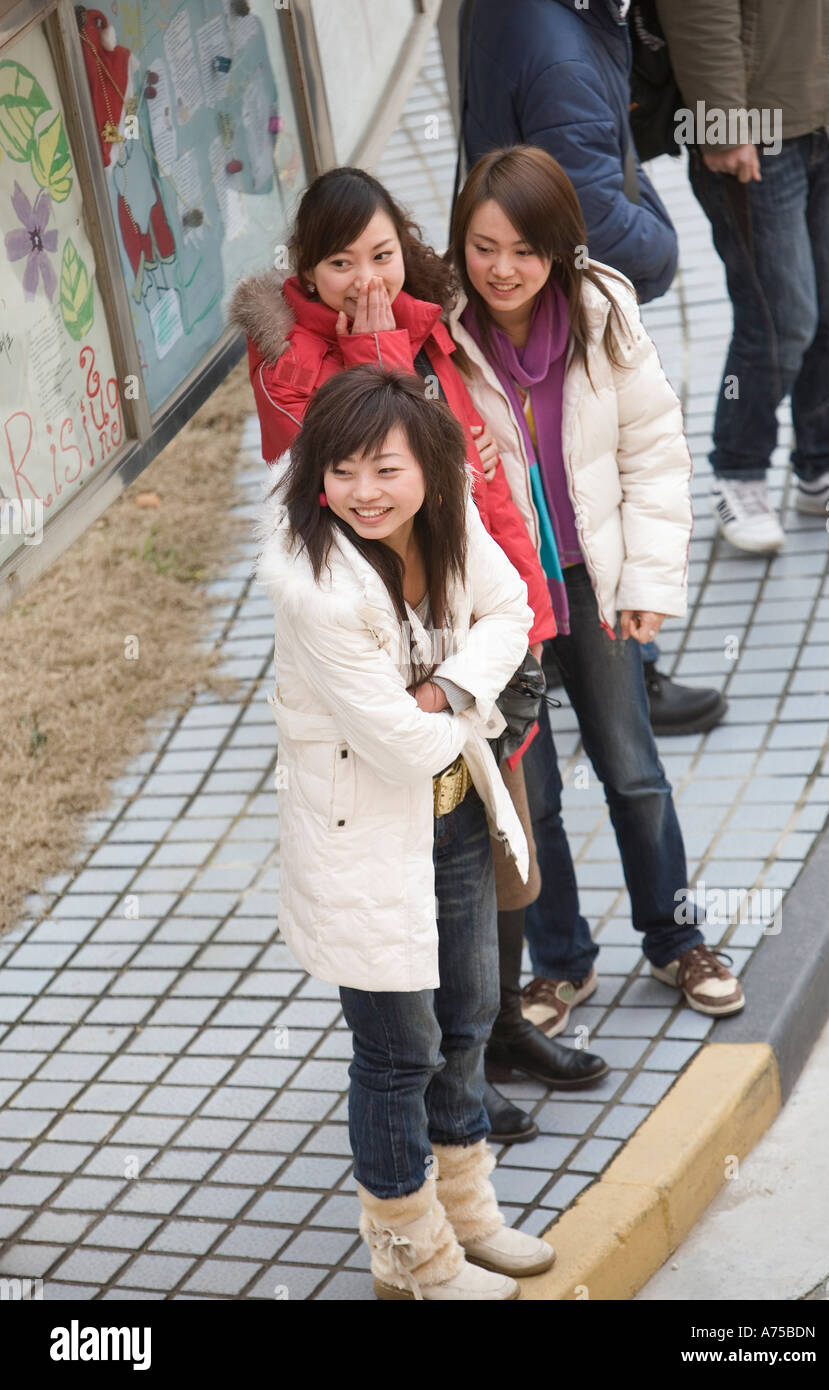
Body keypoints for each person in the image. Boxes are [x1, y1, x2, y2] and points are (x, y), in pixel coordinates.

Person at [230, 167, 609, 1145]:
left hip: (486, 608)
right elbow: (336, 455)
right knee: (441, 874)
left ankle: (501, 1030)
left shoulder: (434, 313)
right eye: (340, 260)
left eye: (381, 253)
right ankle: (455, 1084)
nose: (364, 275)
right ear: (306, 272)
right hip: (408, 658)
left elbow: (474, 453)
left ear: (404, 245)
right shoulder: (293, 352)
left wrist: (522, 598)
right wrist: (365, 342)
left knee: (508, 847)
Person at [255, 364, 559, 1298]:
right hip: (365, 839)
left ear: (426, 463)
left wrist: (443, 692)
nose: (363, 494)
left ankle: (466, 1214)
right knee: (396, 1054)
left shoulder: (452, 511)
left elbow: (513, 609)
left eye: (384, 470)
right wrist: (468, 708)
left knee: (467, 1019)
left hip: (457, 813)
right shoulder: (314, 584)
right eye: (340, 472)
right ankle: (411, 1259)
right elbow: (395, 749)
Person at [446, 144, 746, 1045]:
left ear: (561, 250)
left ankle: (676, 937)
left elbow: (653, 452)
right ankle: (561, 960)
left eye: (525, 250)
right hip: (504, 599)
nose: (502, 269)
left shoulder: (603, 310)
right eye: (484, 246)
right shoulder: (445, 333)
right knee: (528, 796)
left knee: (633, 768)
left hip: (597, 578)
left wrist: (649, 581)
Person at [458, 0, 727, 737]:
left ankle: (601, 669)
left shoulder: (521, 15)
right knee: (583, 476)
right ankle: (622, 675)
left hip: (526, 294)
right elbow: (597, 220)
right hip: (554, 307)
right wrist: (666, 248)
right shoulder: (563, 54)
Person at [654, 0, 829, 552]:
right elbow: (699, 12)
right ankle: (739, 472)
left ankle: (824, 460)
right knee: (780, 322)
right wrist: (722, 124)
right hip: (754, 130)